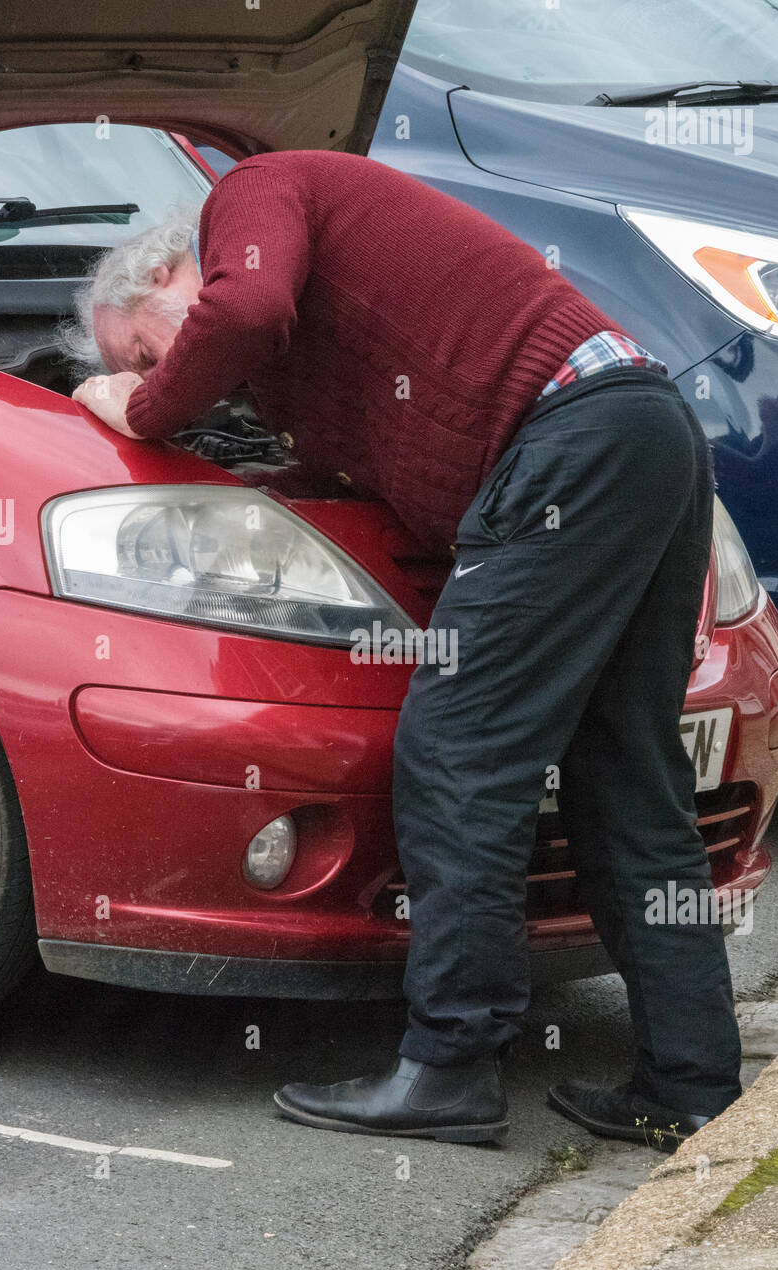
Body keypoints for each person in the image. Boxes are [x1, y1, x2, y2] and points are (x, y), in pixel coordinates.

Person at [70, 149, 742, 1147]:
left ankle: (449, 1067)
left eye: (138, 351)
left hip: (570, 438)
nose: (154, 379)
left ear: (169, 275)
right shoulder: (304, 362)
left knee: (457, 750)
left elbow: (244, 309)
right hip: (639, 430)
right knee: (625, 775)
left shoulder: (251, 196)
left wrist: (136, 405)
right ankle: (689, 1082)